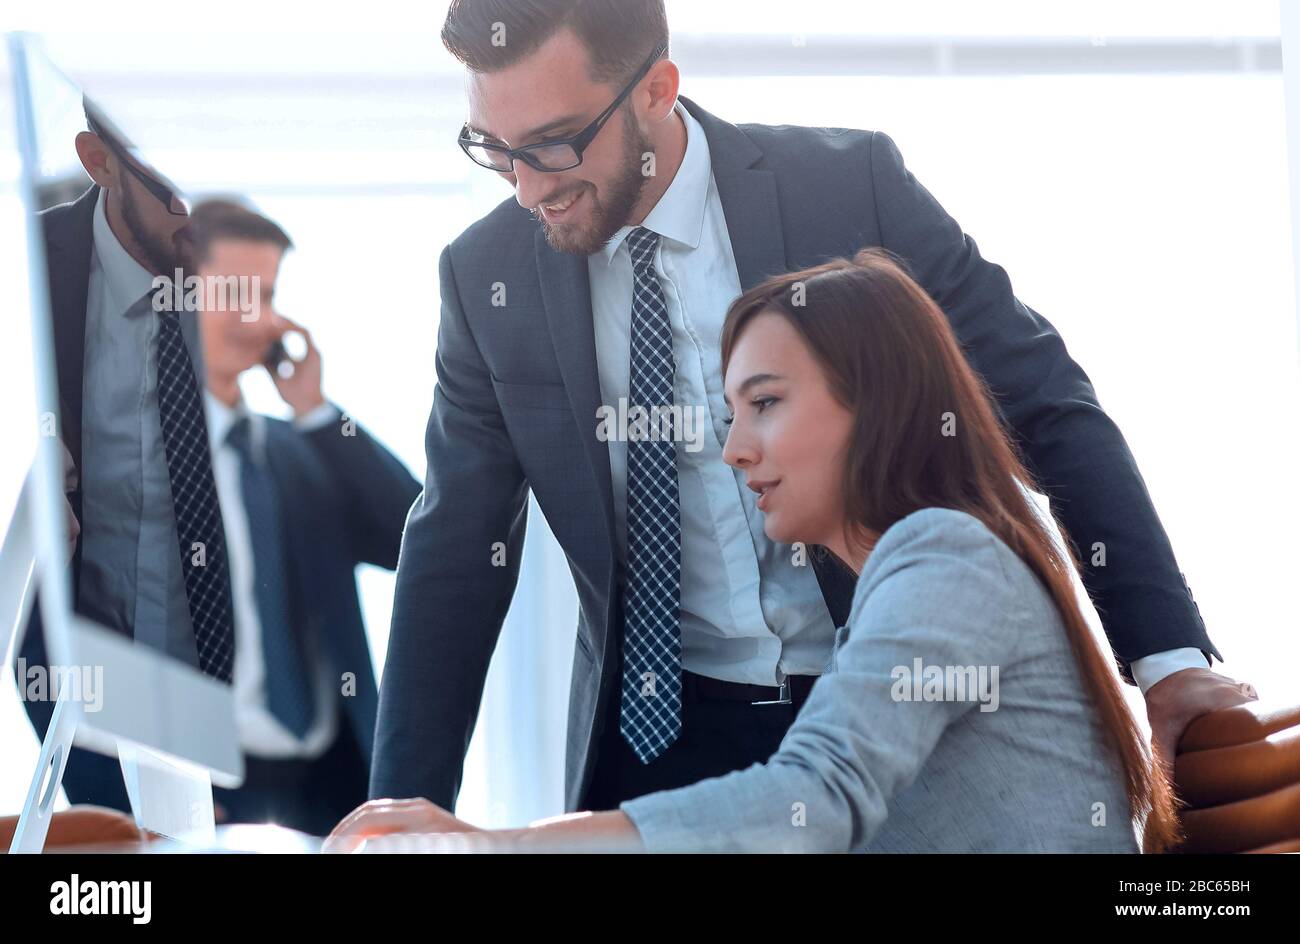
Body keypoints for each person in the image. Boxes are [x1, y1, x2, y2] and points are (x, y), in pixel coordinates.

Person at [357, 0, 1254, 824]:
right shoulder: (487, 276)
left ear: (657, 92)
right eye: (493, 148)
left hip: (883, 699)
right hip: (657, 733)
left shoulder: (848, 187)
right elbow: (454, 556)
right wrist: (400, 814)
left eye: (553, 146)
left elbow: (1045, 404)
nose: (525, 189)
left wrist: (1167, 663)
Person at [327, 250, 1173, 853]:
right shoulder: (911, 576)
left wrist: (495, 845)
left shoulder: (944, 559)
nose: (733, 450)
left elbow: (816, 798)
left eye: (763, 404)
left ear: (874, 403)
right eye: (732, 412)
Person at [17, 102, 236, 811]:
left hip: (242, 712)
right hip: (79, 705)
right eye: (175, 189)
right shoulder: (20, 273)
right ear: (100, 161)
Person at [188, 199, 421, 835]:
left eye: (267, 295)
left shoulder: (298, 448)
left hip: (336, 783)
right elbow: (45, 646)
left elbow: (413, 535)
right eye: (235, 293)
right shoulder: (126, 457)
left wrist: (315, 411)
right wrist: (119, 799)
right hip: (202, 791)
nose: (257, 317)